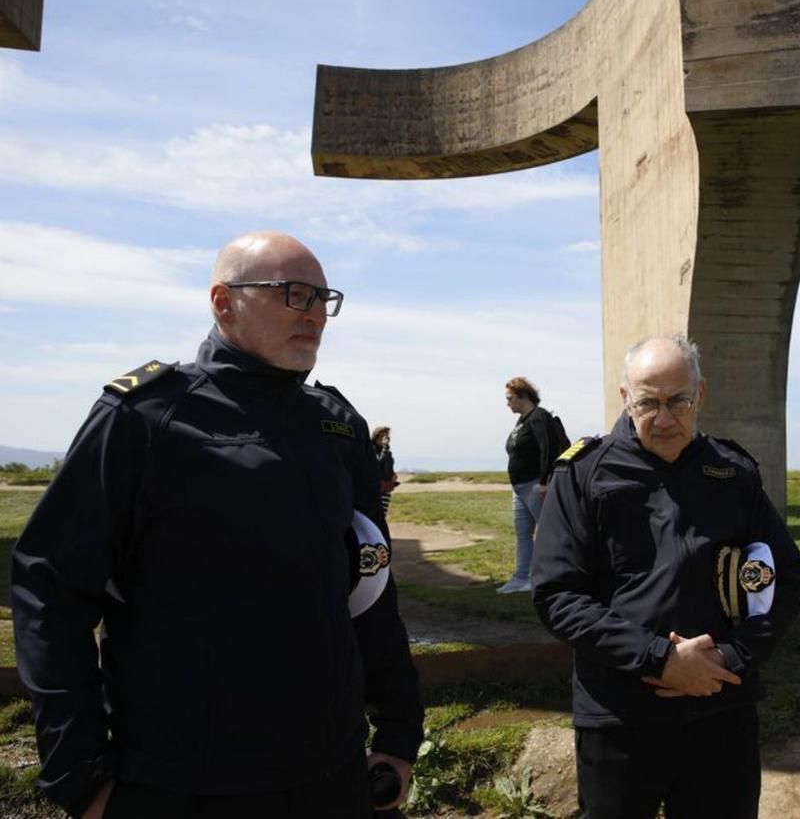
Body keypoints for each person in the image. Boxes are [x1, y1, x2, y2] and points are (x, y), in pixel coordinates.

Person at [12, 231, 424, 819]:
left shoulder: (335, 425)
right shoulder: (146, 416)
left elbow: (371, 584)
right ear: (223, 301)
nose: (314, 315)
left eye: (323, 299)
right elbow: (49, 588)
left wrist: (397, 733)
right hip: (185, 781)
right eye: (293, 294)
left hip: (328, 773)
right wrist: (78, 773)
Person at [531, 335, 800, 819]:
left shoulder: (733, 472)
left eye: (678, 401)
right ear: (624, 399)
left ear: (700, 395)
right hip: (619, 716)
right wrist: (659, 658)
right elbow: (557, 595)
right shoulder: (584, 474)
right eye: (647, 402)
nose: (664, 417)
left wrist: (732, 656)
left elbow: (784, 576)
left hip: (721, 709)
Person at [499, 377, 555, 594]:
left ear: (522, 396)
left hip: (535, 486)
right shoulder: (521, 421)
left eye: (510, 398)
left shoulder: (538, 417)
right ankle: (521, 577)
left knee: (545, 532)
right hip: (519, 489)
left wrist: (544, 482)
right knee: (523, 533)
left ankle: (544, 577)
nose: (507, 403)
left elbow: (546, 449)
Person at [373, 425, 398, 514]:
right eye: (383, 436)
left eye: (387, 436)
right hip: (376, 487)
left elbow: (386, 466)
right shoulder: (372, 449)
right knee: (377, 514)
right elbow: (378, 462)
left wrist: (392, 474)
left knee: (382, 514)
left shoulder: (387, 451)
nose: (386, 438)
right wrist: (385, 447)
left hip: (386, 486)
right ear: (376, 437)